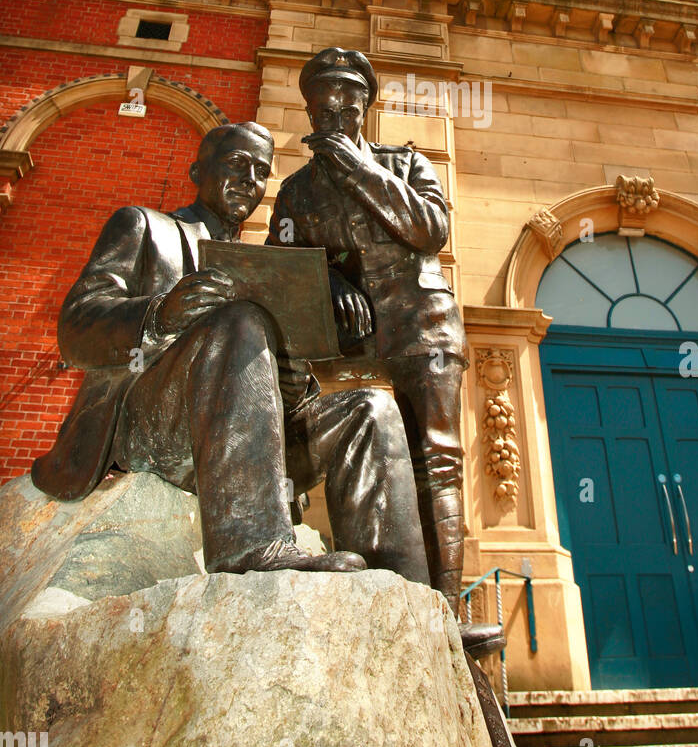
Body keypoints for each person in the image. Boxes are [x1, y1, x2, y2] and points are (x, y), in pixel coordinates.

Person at [32, 120, 430, 584]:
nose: (251, 181)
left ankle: (401, 586)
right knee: (239, 320)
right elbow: (76, 324)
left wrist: (291, 380)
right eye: (238, 165)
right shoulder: (144, 226)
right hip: (150, 425)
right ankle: (251, 543)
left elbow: (267, 388)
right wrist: (161, 313)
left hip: (243, 445)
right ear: (198, 170)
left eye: (261, 171)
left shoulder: (269, 267)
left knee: (370, 407)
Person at [268, 49, 504, 660]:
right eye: (322, 98)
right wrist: (330, 283)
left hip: (421, 326)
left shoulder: (405, 162)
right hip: (348, 344)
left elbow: (429, 229)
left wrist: (357, 171)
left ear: (364, 105)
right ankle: (384, 593)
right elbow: (283, 268)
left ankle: (446, 612)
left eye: (347, 95)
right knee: (365, 453)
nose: (335, 106)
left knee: (437, 461)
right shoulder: (294, 192)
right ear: (310, 108)